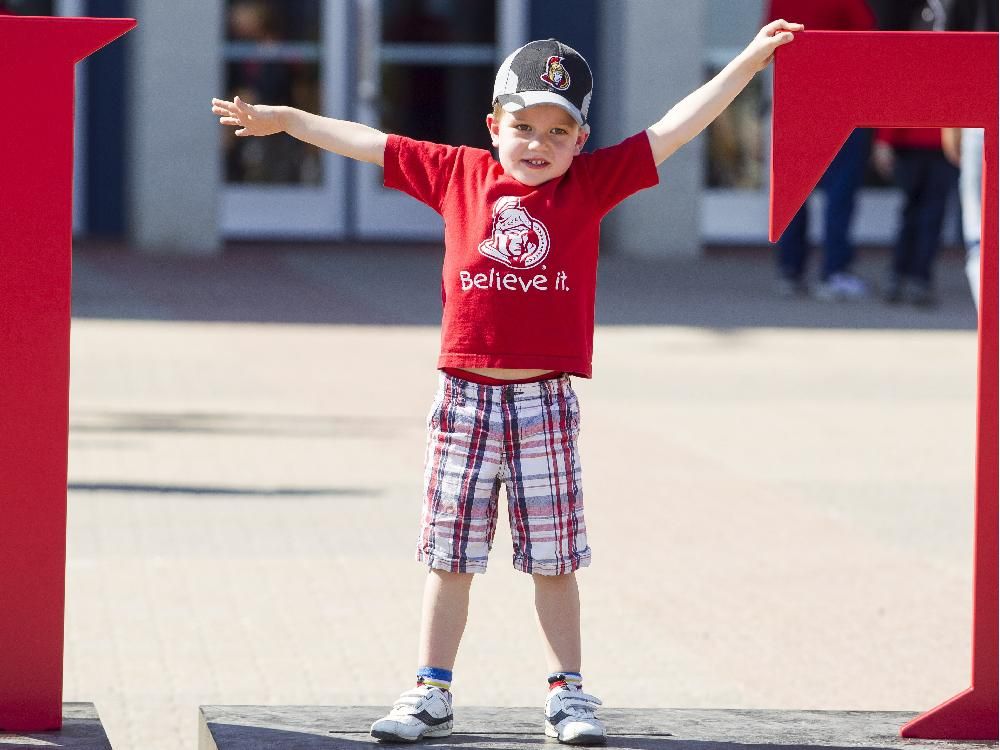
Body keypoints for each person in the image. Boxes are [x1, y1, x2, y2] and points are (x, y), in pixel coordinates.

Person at [212, 21, 802, 745]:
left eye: (558, 131)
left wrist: (747, 61)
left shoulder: (590, 185)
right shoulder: (457, 174)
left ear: (581, 141)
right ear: (494, 127)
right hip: (463, 402)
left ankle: (568, 694)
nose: (538, 144)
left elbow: (675, 129)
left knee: (554, 559)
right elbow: (367, 141)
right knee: (449, 556)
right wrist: (285, 119)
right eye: (523, 127)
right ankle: (431, 691)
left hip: (543, 403)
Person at [765, 0, 876, 301]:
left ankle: (790, 270)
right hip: (840, 103)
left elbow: (768, 40)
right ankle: (834, 272)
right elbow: (870, 42)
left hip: (795, 101)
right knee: (839, 193)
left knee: (794, 193)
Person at [874, 0, 960, 308]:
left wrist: (884, 142)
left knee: (923, 215)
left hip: (936, 146)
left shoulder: (947, 58)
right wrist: (884, 141)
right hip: (920, 145)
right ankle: (907, 277)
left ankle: (912, 278)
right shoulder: (913, 58)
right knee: (919, 214)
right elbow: (894, 101)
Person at [942, 0, 998, 311]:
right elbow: (949, 47)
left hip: (979, 111)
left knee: (979, 229)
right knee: (980, 231)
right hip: (979, 110)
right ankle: (990, 318)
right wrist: (951, 117)